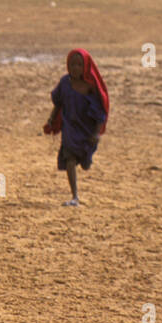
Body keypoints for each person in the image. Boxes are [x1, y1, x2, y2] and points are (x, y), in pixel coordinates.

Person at [43, 49, 108, 207]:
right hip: (69, 129)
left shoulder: (90, 87)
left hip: (86, 129)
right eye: (72, 64)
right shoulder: (65, 83)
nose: (75, 68)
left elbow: (100, 112)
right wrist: (51, 120)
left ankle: (86, 160)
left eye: (79, 64)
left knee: (85, 162)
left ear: (85, 66)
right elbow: (58, 103)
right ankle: (75, 196)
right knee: (70, 159)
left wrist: (96, 133)